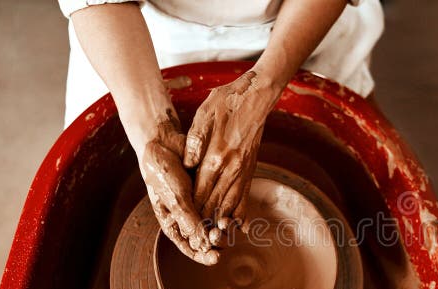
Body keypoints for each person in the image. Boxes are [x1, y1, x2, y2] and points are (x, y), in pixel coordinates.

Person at [59, 0, 383, 264]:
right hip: (136, 36)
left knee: (368, 191)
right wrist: (152, 129)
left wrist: (263, 87)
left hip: (303, 28)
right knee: (80, 228)